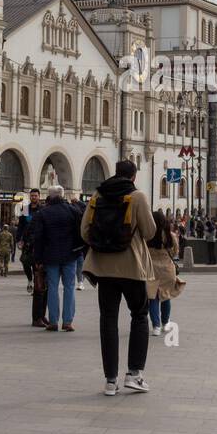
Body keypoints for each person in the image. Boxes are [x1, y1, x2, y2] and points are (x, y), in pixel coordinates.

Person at [81, 159, 156, 396]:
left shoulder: (97, 197)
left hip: (104, 269)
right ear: (133, 176)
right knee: (139, 316)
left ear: (116, 174)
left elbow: (84, 231)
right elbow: (150, 232)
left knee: (108, 321)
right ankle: (134, 374)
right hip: (132, 267)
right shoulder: (137, 197)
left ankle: (110, 381)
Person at [34, 186, 83, 331]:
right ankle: (67, 321)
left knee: (53, 288)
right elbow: (80, 231)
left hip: (51, 256)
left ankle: (53, 321)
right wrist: (79, 249)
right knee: (69, 287)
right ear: (62, 195)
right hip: (70, 254)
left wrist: (38, 257)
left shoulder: (43, 213)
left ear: (49, 196)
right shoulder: (73, 211)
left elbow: (39, 238)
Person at [148, 211, 184, 336]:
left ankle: (155, 326)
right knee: (166, 295)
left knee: (153, 297)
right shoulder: (170, 235)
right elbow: (175, 252)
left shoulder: (147, 235)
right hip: (167, 269)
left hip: (151, 269)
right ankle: (165, 322)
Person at [70, 192, 88, 291]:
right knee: (76, 262)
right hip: (74, 240)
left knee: (80, 261)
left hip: (80, 241)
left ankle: (80, 281)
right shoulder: (70, 208)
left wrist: (79, 202)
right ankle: (79, 281)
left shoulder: (80, 210)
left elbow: (85, 211)